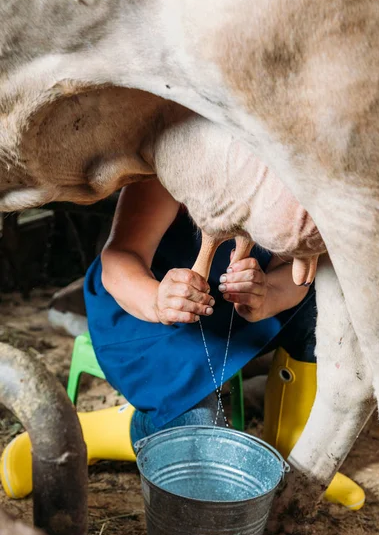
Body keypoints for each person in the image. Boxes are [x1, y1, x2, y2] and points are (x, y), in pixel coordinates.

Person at [84, 177, 317, 444]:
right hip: (146, 308)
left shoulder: (301, 170)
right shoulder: (181, 156)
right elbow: (121, 256)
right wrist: (157, 300)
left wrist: (267, 295)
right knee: (200, 441)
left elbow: (298, 270)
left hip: (234, 306)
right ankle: (131, 426)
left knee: (321, 308)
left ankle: (295, 461)